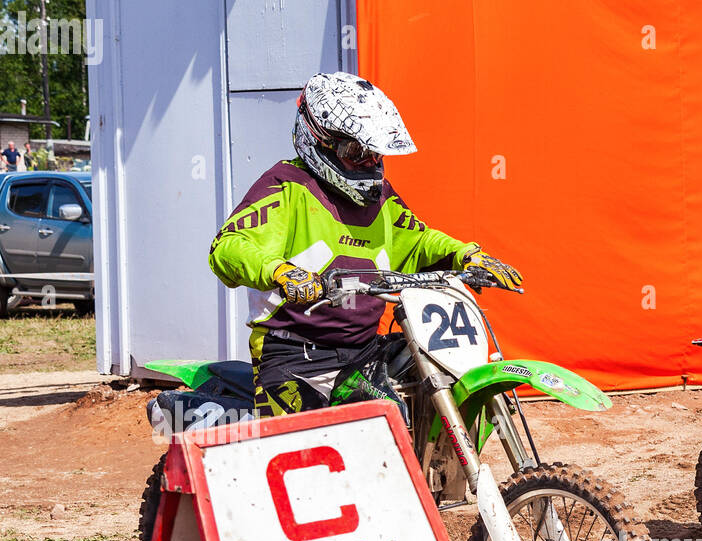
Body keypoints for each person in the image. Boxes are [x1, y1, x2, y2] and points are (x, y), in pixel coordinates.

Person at [209, 71, 520, 417]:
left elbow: (417, 241)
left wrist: (467, 256)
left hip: (361, 351)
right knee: (306, 457)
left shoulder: (381, 198)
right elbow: (230, 246)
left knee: (416, 398)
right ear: (319, 140)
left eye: (374, 152)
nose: (370, 162)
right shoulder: (286, 186)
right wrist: (281, 271)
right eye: (357, 151)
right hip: (294, 353)